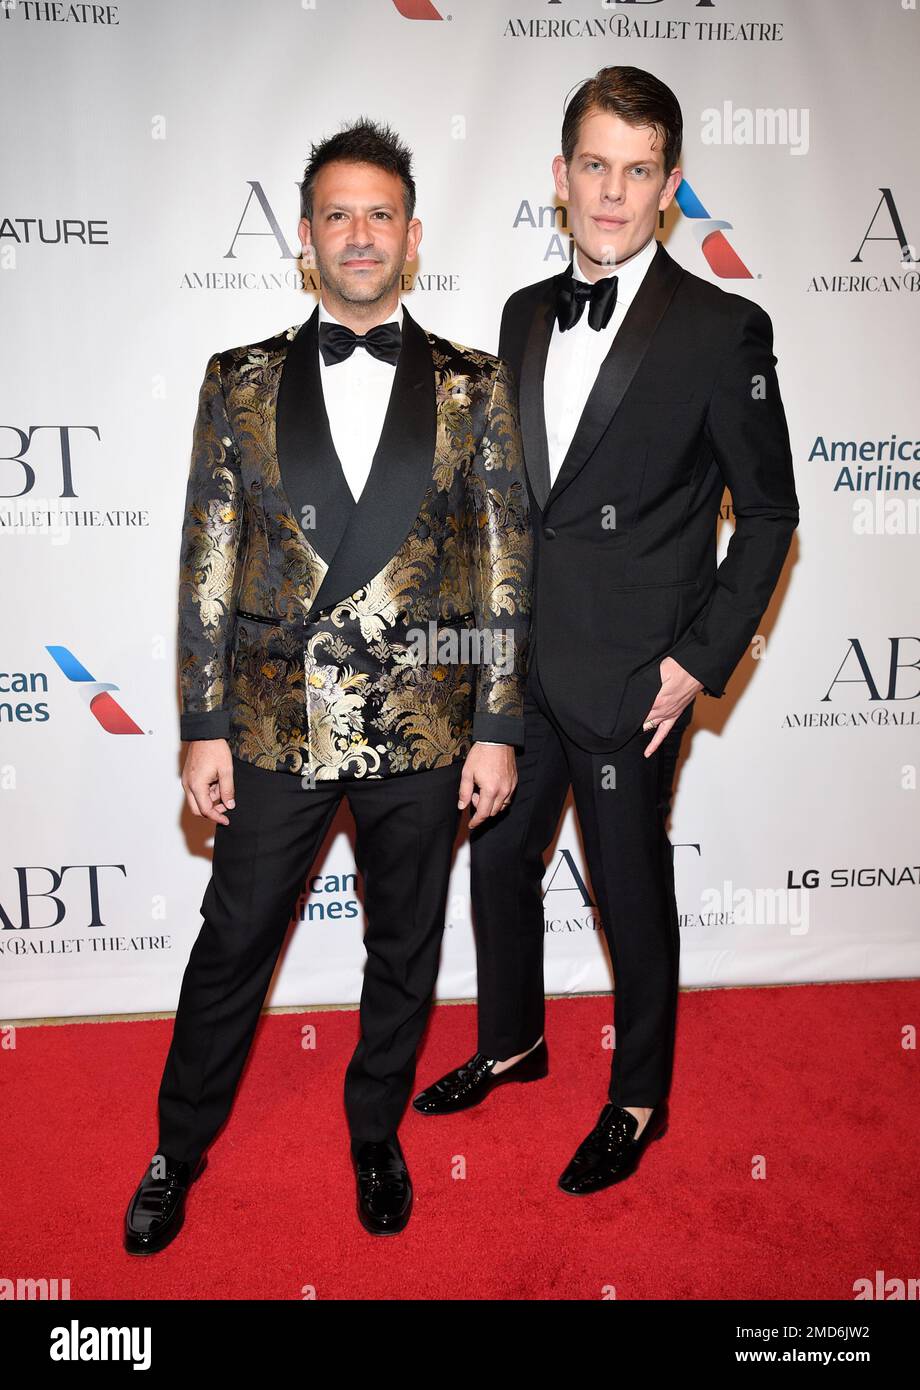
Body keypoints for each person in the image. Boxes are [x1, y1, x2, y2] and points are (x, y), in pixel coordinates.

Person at [123, 118, 532, 1250]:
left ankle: (373, 1132)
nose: (360, 234)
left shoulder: (472, 383)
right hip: (269, 723)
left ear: (413, 236)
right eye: (337, 215)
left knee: (403, 943)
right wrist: (201, 723)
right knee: (233, 940)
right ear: (304, 239)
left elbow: (505, 564)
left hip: (423, 724)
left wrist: (495, 724)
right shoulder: (238, 379)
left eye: (380, 214)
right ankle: (176, 1145)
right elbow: (207, 556)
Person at [413, 66, 799, 1195]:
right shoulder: (521, 314)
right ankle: (514, 1040)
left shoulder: (724, 329)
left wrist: (693, 663)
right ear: (559, 177)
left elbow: (769, 511)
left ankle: (637, 1097)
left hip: (637, 674)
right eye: (594, 166)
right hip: (520, 665)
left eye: (639, 172)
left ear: (671, 187)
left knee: (627, 886)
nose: (613, 194)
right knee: (494, 862)